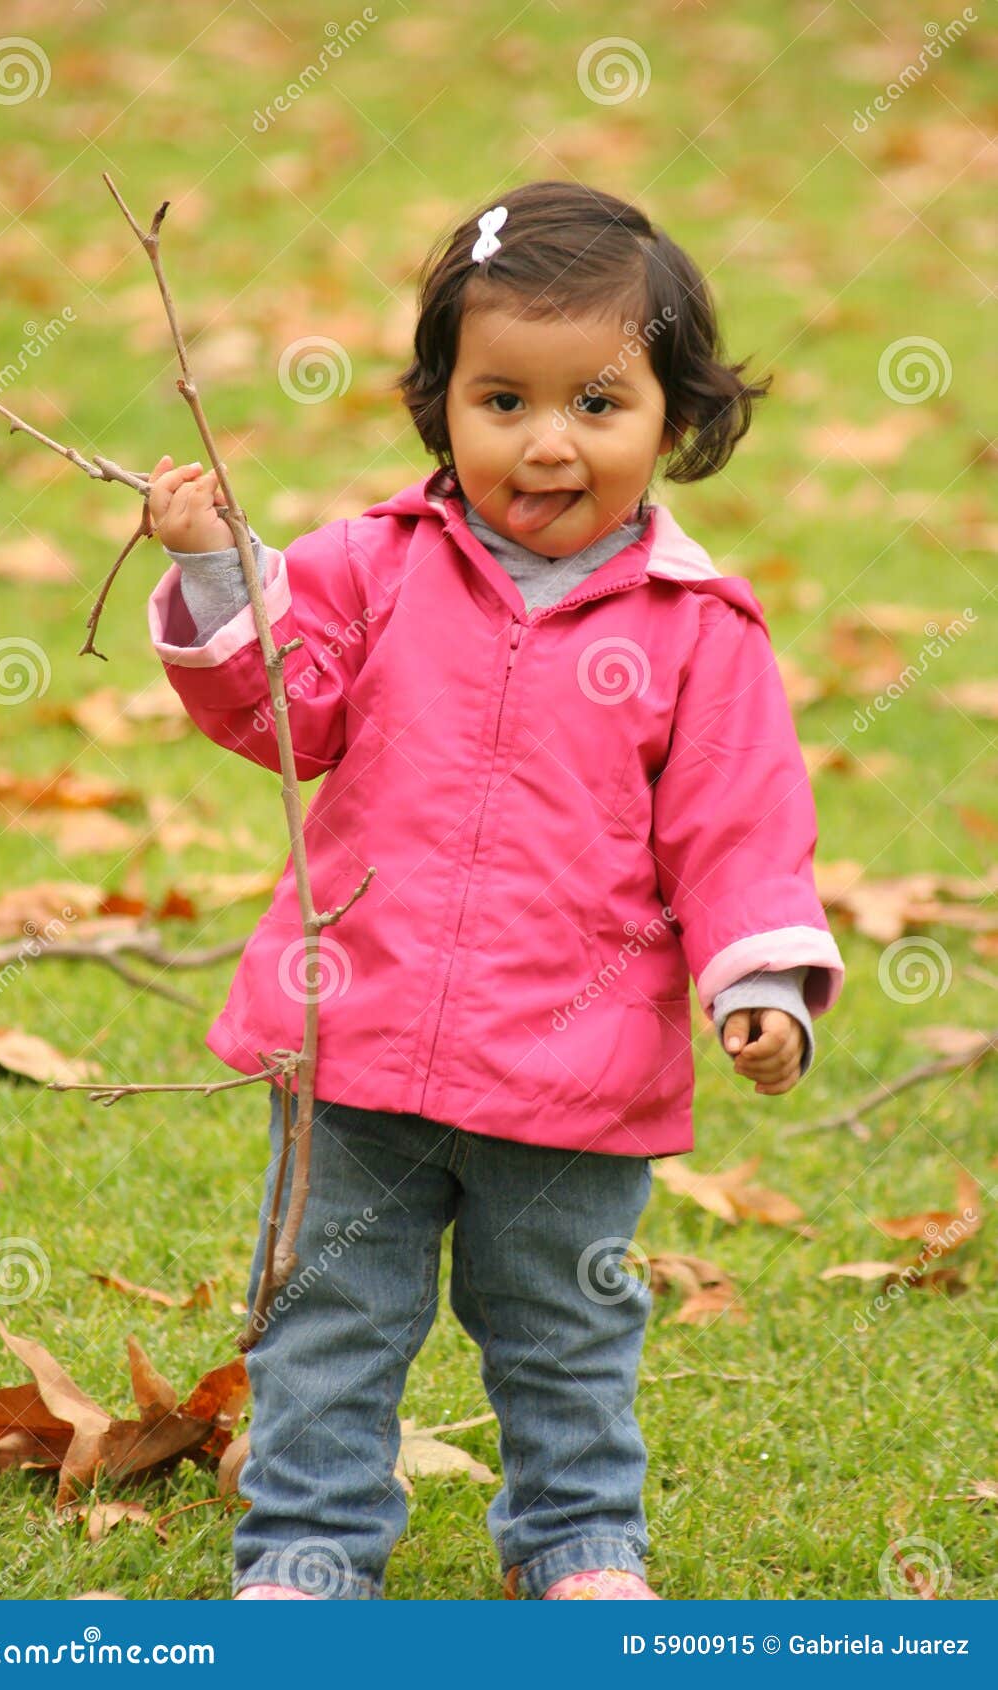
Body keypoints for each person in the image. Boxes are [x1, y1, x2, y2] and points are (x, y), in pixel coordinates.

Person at [146, 180, 844, 1601]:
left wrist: (760, 977)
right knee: (327, 1311)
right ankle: (309, 1547)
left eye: (598, 401)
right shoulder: (374, 567)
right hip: (359, 1044)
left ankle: (579, 1545)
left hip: (573, 1071)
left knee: (565, 1319)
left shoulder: (693, 629)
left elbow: (739, 826)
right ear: (442, 405)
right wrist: (222, 572)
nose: (545, 440)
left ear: (676, 417)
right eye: (501, 397)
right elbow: (286, 713)